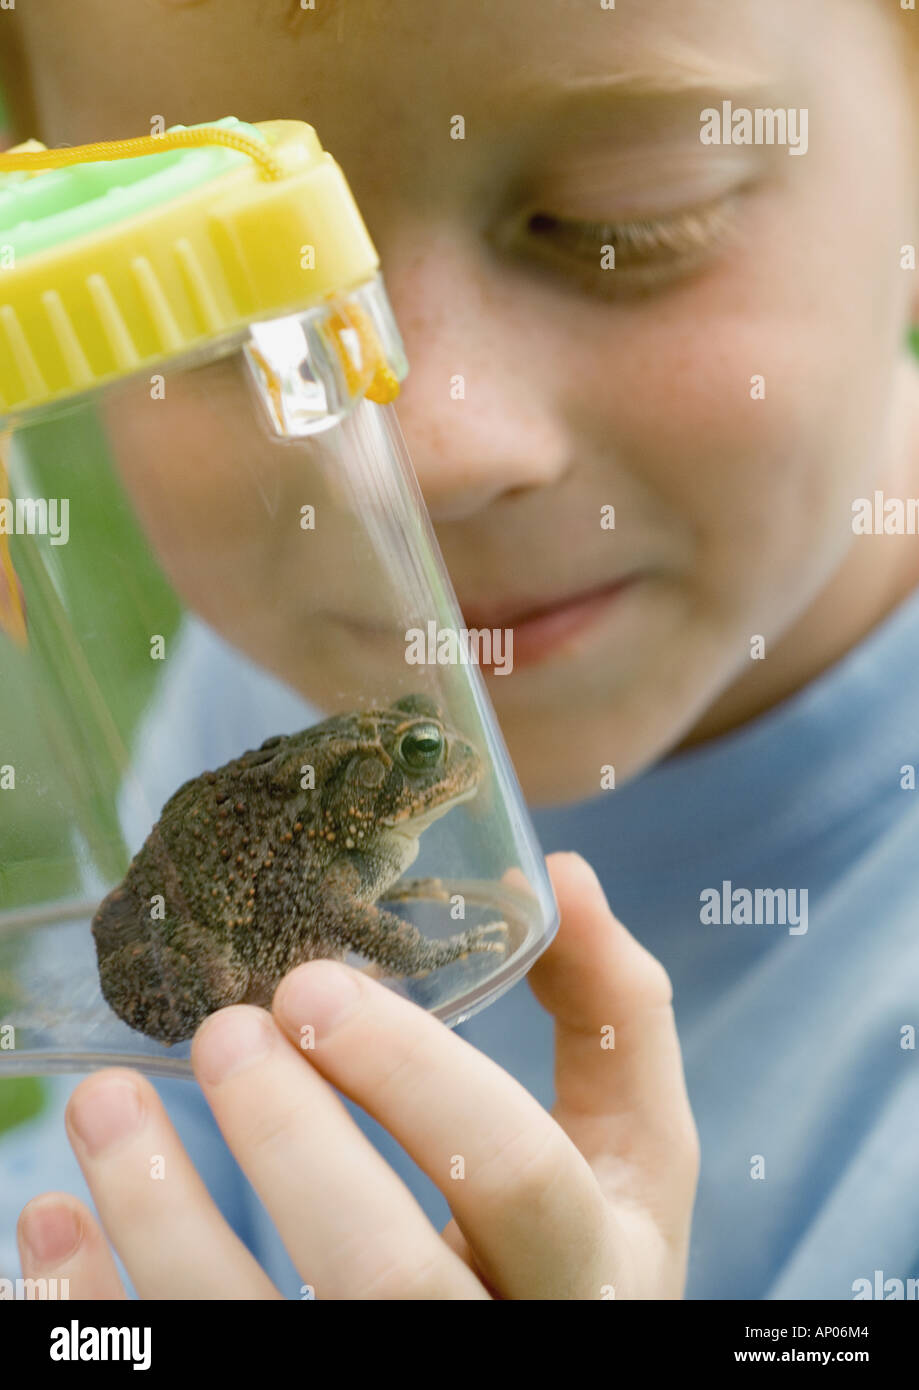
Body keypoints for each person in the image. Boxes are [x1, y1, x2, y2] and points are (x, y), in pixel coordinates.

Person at [0, 0, 917, 1299]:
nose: (426, 445)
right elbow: (84, 1199)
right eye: (209, 304)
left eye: (624, 223)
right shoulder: (280, 683)